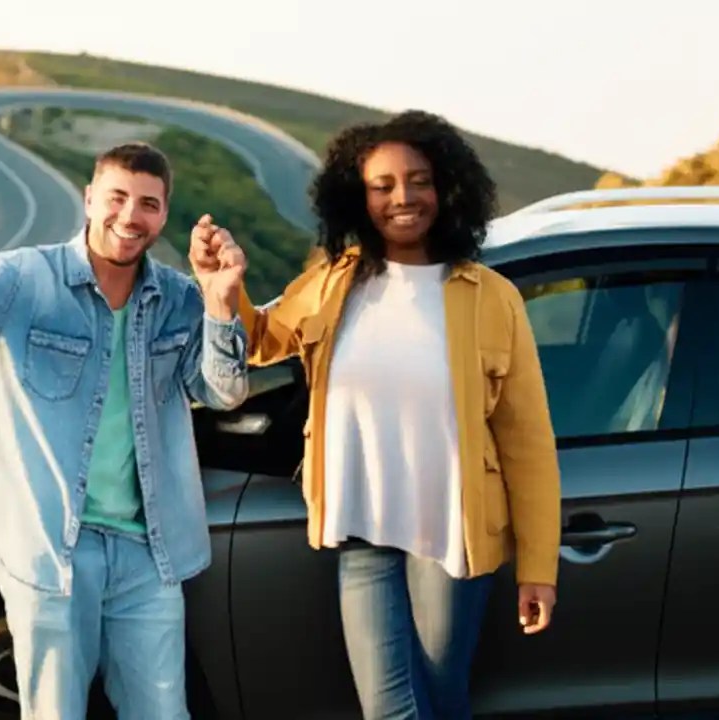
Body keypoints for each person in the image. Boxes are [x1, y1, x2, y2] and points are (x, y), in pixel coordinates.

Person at [0, 139, 249, 720]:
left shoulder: (180, 298)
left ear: (164, 213)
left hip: (149, 554)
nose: (129, 217)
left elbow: (223, 392)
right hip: (52, 551)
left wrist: (220, 303)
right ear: (89, 200)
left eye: (148, 204)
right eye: (116, 197)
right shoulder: (21, 282)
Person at [190, 110, 561, 719]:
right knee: (387, 710)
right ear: (357, 198)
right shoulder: (334, 283)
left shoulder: (491, 297)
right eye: (381, 186)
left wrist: (538, 568)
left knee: (439, 700)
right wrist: (223, 289)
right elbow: (260, 343)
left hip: (449, 537)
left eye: (418, 180)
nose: (402, 198)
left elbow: (527, 442)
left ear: (446, 188)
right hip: (360, 532)